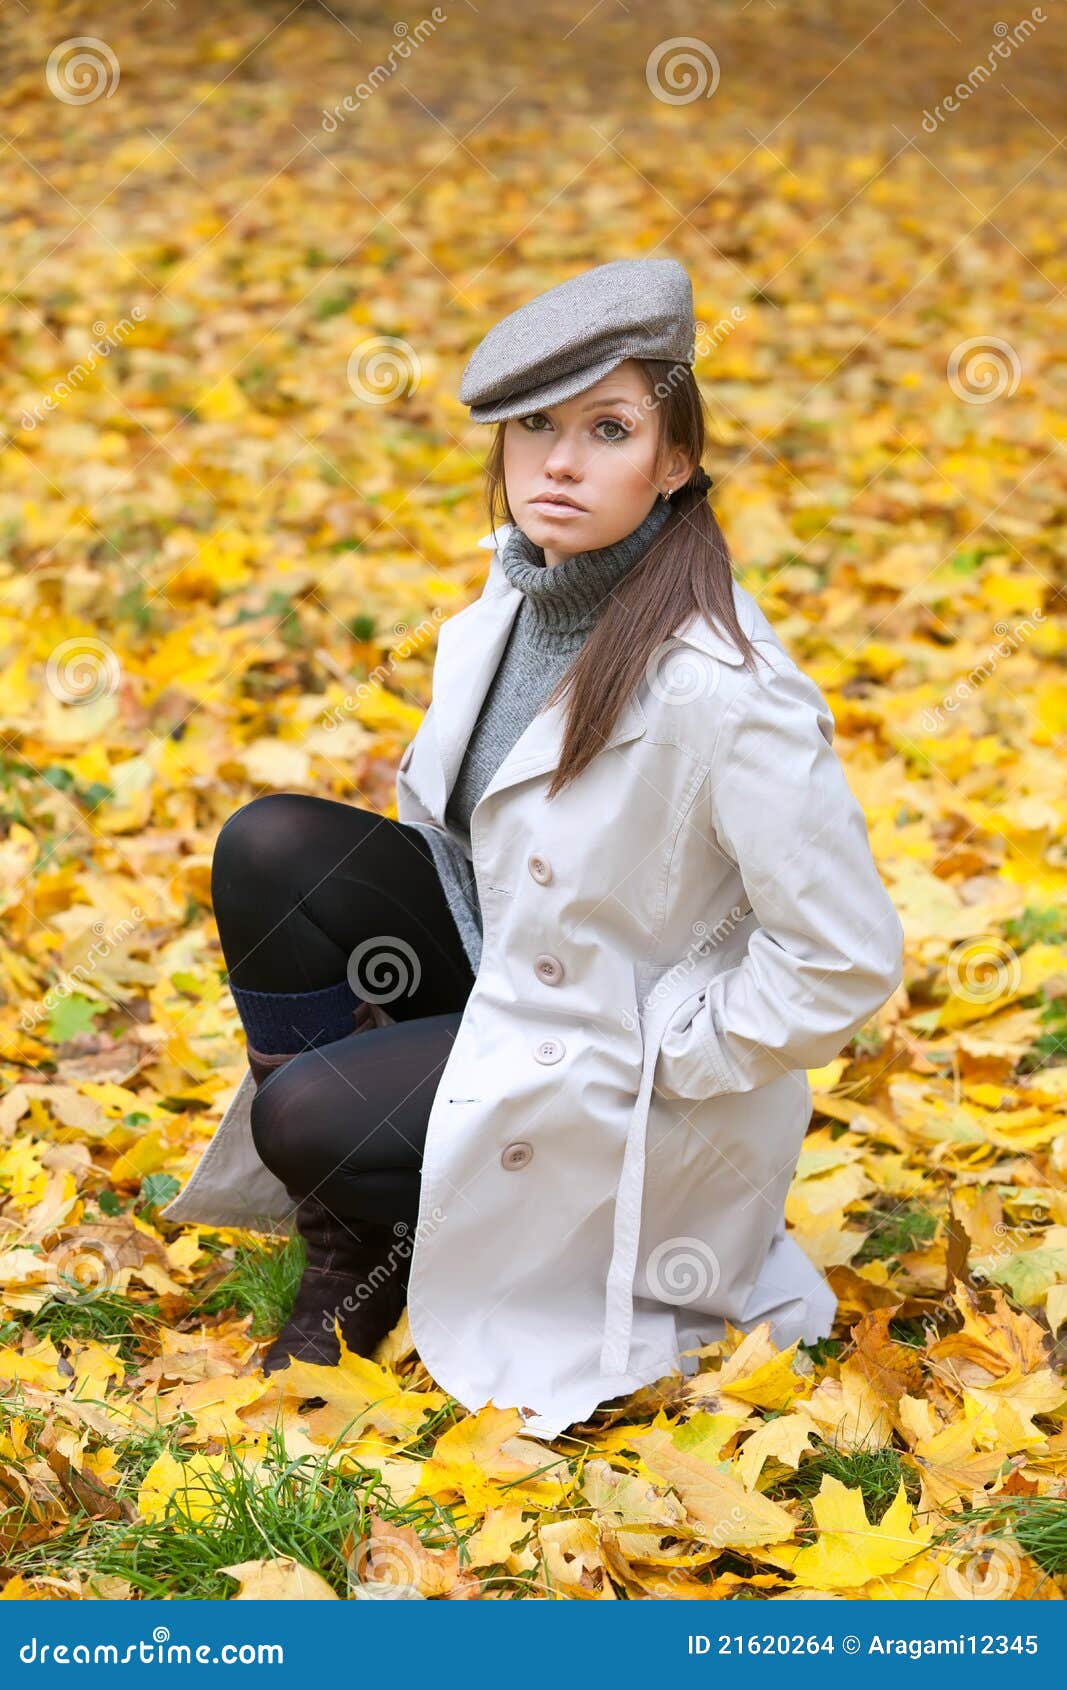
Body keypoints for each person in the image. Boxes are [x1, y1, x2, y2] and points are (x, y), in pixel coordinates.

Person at [163, 258, 903, 1438]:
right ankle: (357, 1243)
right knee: (271, 845)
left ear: (671, 461)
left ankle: (370, 1195)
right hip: (520, 980)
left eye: (605, 429)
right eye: (534, 427)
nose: (558, 462)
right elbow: (473, 850)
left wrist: (673, 1055)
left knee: (301, 1114)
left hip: (616, 1065)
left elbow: (845, 958)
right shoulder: (502, 610)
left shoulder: (726, 690)